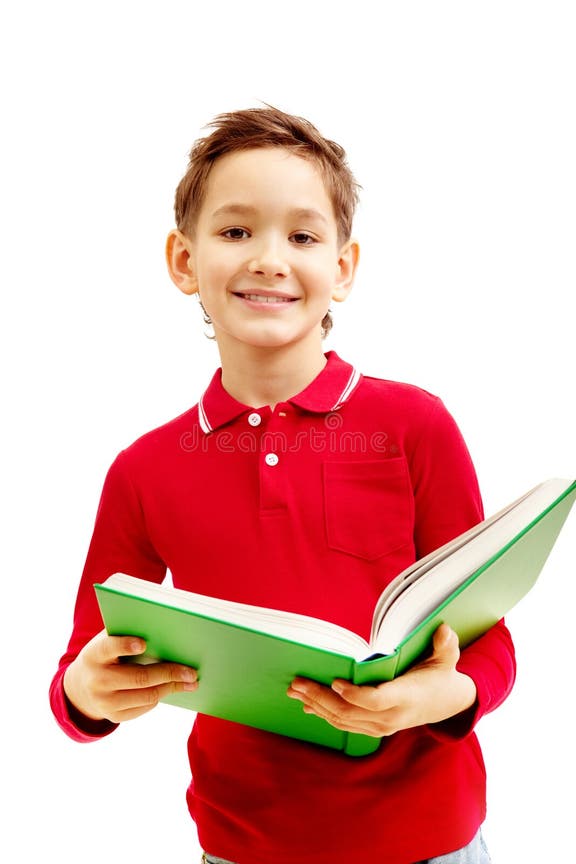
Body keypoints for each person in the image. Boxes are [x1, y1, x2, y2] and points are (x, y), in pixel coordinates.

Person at [50, 105, 515, 864]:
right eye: (235, 232)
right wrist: (85, 696)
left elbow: (488, 641)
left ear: (343, 268)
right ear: (183, 260)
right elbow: (81, 670)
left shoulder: (415, 427)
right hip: (243, 849)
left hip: (433, 844)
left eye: (302, 236)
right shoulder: (143, 470)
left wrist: (448, 696)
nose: (269, 258)